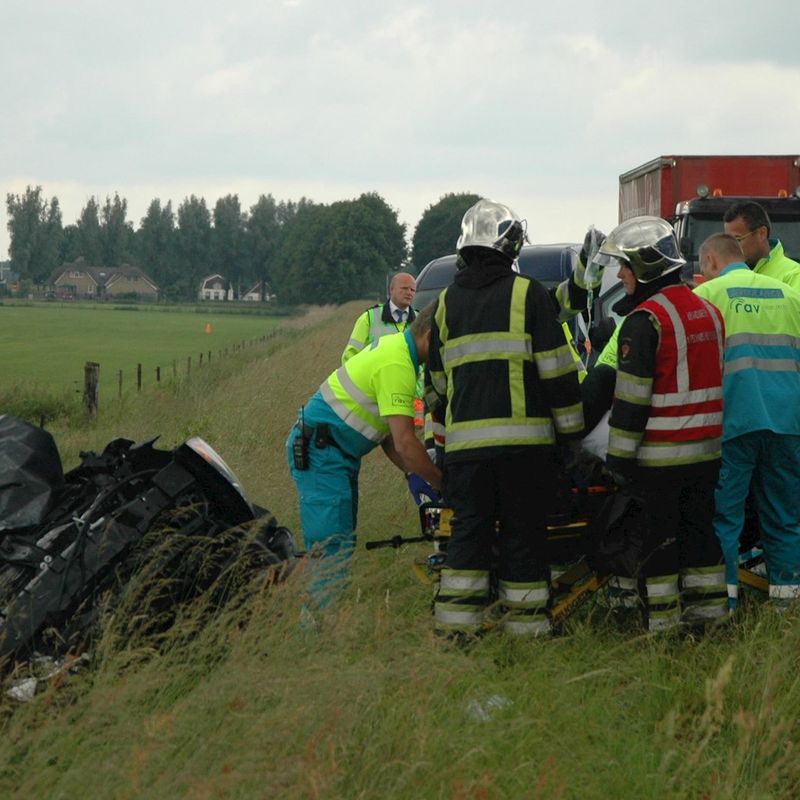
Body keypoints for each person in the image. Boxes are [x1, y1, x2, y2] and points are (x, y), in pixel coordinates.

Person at [425, 199, 584, 638]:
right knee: (524, 538)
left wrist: (443, 450)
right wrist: (572, 439)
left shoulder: (443, 303)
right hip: (525, 452)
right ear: (511, 247)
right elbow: (557, 372)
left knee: (468, 538)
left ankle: (457, 631)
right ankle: (527, 631)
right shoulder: (528, 294)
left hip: (465, 457)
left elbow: (436, 387)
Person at [598, 216, 728, 632]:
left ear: (647, 266)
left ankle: (664, 626)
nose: (620, 275)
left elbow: (631, 402)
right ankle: (710, 620)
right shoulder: (708, 310)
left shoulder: (644, 320)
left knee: (660, 545)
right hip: (707, 453)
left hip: (660, 460)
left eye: (626, 266)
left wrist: (617, 462)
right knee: (701, 539)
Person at [287, 304, 442, 605]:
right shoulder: (397, 364)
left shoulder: (398, 349)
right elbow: (405, 442)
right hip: (322, 455)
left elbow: (387, 437)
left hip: (332, 453)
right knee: (330, 552)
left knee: (341, 545)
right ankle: (316, 636)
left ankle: (326, 626)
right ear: (431, 335)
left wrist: (413, 473)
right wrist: (441, 484)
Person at [694, 233, 800, 605]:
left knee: (724, 520)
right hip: (787, 423)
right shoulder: (788, 295)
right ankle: (787, 602)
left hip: (732, 423)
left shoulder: (707, 297)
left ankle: (723, 604)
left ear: (709, 262)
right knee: (785, 518)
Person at [723, 201, 800, 291]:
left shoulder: (794, 275)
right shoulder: (724, 273)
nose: (731, 248)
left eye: (738, 240)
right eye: (728, 241)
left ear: (762, 233)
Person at [341, 272, 417, 363]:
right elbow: (350, 356)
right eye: (404, 288)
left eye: (412, 290)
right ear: (391, 290)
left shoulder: (421, 320)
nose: (409, 293)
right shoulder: (369, 318)